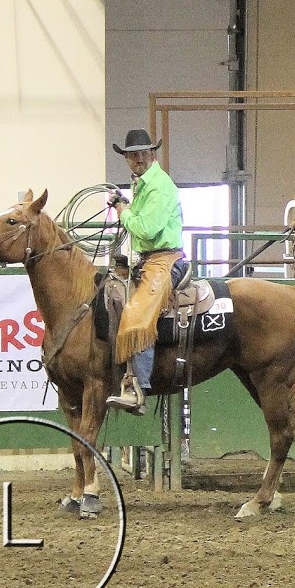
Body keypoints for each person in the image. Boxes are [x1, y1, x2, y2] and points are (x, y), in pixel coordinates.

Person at [107, 129, 185, 414]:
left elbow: (146, 228)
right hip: (148, 259)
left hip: (165, 261)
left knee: (138, 311)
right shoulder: (142, 184)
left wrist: (122, 212)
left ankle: (139, 386)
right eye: (132, 155)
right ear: (127, 159)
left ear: (152, 154)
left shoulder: (159, 186)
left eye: (142, 154)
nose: (137, 159)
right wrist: (125, 205)